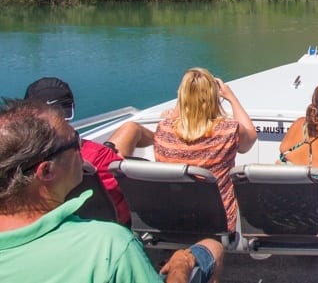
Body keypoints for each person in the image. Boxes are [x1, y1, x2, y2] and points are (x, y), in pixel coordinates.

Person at [0, 99, 223, 283]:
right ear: (46, 171)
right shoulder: (109, 245)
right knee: (211, 247)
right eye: (76, 143)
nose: (83, 148)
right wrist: (179, 268)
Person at [153, 67, 257, 233]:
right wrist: (231, 97)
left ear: (181, 97)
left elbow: (177, 121)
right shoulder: (228, 130)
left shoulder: (163, 129)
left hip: (172, 217)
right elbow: (250, 140)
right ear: (213, 97)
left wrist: (185, 95)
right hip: (217, 219)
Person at [24, 77, 136, 225]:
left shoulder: (16, 163)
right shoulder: (99, 156)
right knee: (132, 129)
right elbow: (136, 192)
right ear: (71, 108)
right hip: (109, 228)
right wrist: (123, 163)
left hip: (49, 229)